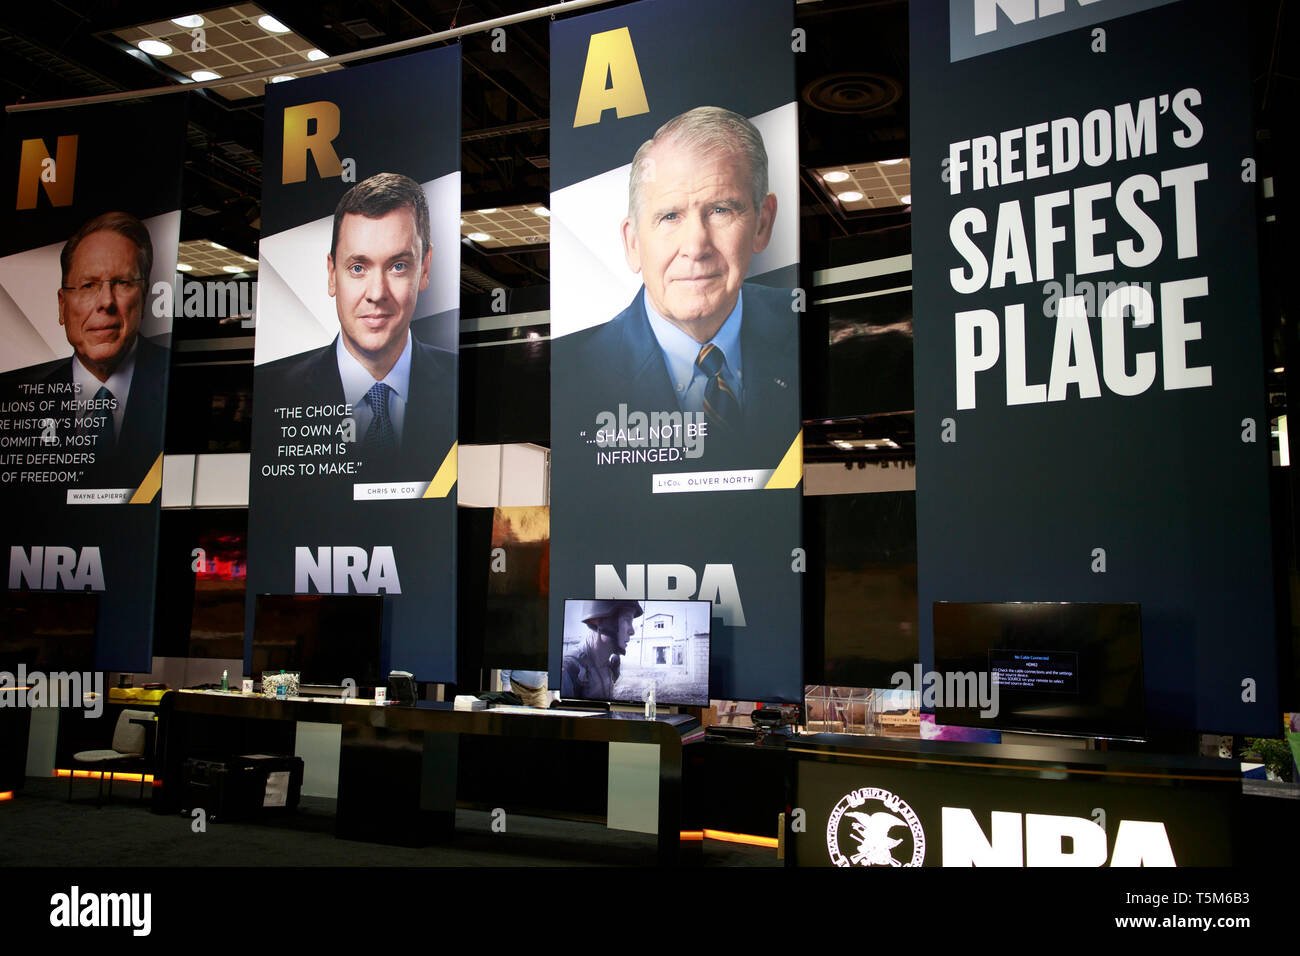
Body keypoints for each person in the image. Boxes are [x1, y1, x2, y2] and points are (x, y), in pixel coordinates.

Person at [557, 106, 798, 467]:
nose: (696, 247)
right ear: (633, 242)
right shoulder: (572, 377)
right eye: (670, 216)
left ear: (762, 224)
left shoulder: (803, 330)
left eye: (720, 210)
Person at [256, 172, 456, 481]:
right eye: (358, 268)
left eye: (398, 266)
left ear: (425, 268)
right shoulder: (272, 394)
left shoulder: (459, 384)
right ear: (332, 273)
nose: (376, 293)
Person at [0, 211, 168, 488]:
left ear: (145, 296)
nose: (106, 302)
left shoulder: (178, 384)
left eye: (122, 283)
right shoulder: (20, 405)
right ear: (62, 305)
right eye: (88, 285)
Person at [561, 599, 643, 701]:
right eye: (626, 619)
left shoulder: (610, 665)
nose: (632, 631)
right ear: (598, 621)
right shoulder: (569, 669)